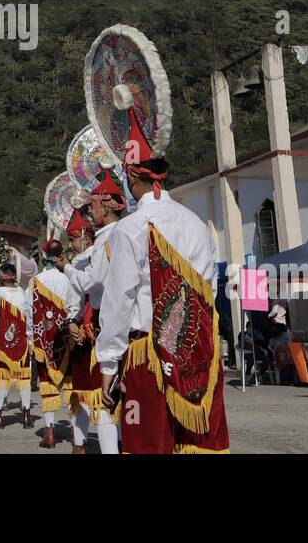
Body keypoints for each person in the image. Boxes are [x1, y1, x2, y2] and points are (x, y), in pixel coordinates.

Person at [97, 113, 230, 454]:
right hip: (199, 352)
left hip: (148, 354)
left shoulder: (130, 229)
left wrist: (109, 364)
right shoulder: (198, 224)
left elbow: (118, 304)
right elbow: (208, 292)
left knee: (147, 446)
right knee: (200, 445)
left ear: (130, 174)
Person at [58, 169, 127, 453]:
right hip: (131, 326)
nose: (91, 211)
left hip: (103, 325)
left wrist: (67, 268)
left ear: (108, 205)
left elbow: (88, 285)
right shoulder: (130, 232)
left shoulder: (104, 242)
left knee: (105, 398)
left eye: (94, 205)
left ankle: (86, 446)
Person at [30, 239, 80, 449]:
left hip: (44, 342)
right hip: (66, 341)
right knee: (70, 386)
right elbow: (75, 307)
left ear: (43, 258)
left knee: (48, 386)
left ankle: (49, 435)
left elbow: (29, 313)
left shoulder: (35, 281)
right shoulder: (68, 279)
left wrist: (33, 339)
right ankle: (75, 435)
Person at [0, 261, 33, 429]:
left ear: (2, 277)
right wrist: (30, 341)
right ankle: (26, 416)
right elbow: (30, 319)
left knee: (1, 378)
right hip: (22, 343)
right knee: (24, 380)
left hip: (2, 344)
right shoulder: (24, 294)